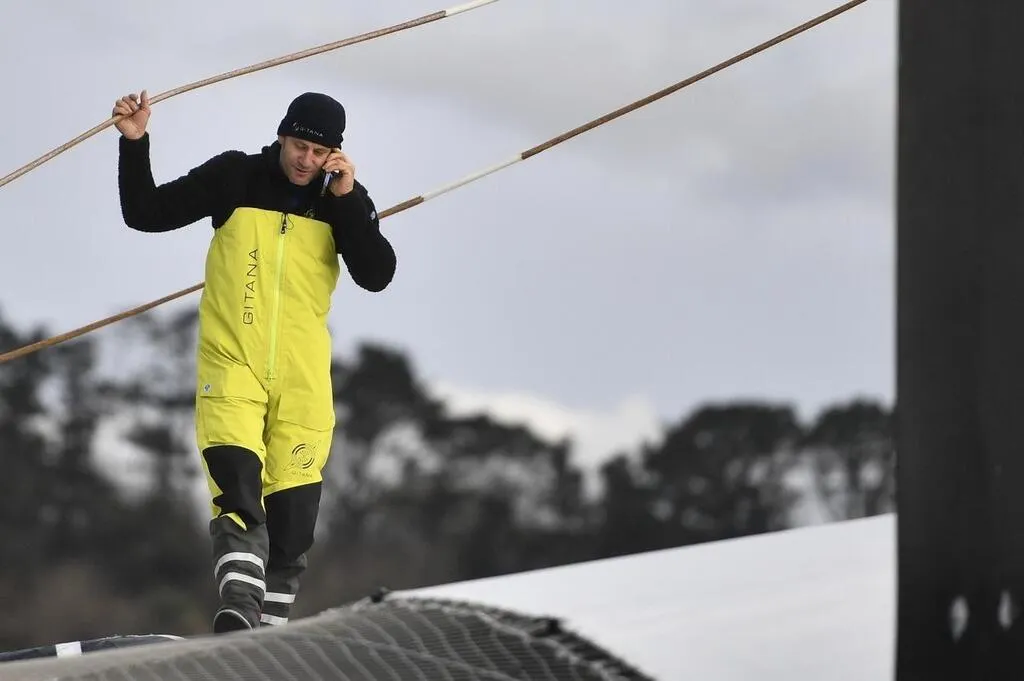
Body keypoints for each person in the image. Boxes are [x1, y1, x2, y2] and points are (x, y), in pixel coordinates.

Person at [112, 89, 396, 633]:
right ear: (282, 135)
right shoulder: (235, 176)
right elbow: (145, 213)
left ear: (334, 154)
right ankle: (238, 611)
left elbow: (377, 274)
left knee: (293, 524)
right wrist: (135, 142)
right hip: (232, 365)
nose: (304, 161)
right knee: (238, 489)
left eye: (318, 153)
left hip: (304, 381)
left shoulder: (341, 201)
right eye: (297, 146)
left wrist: (348, 198)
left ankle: (266, 636)